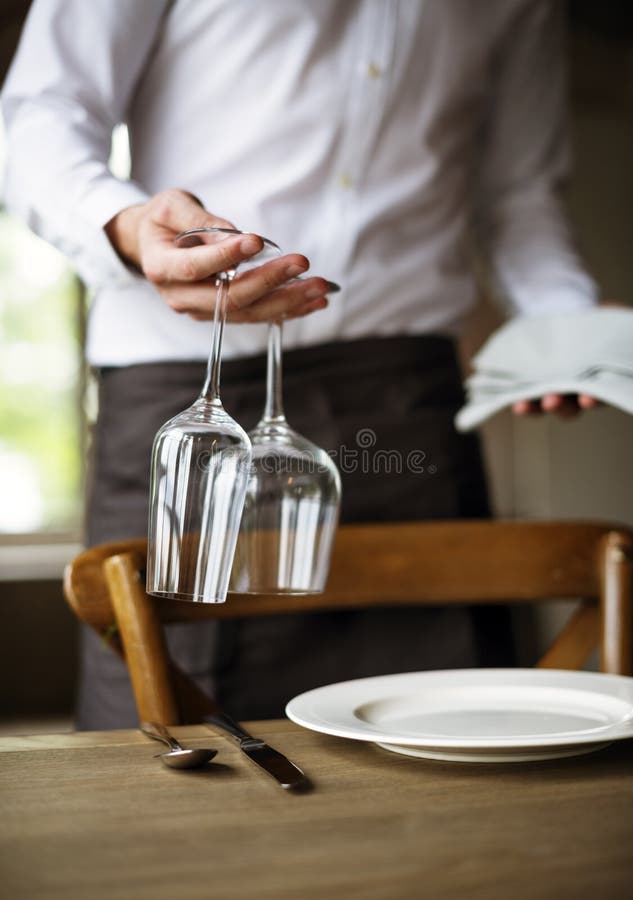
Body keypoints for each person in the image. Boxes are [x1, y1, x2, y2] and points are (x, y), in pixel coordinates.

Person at [2, 0, 600, 729]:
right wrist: (128, 229)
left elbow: (517, 196)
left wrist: (563, 327)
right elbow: (41, 111)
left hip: (405, 397)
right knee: (167, 727)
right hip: (187, 368)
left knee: (437, 705)